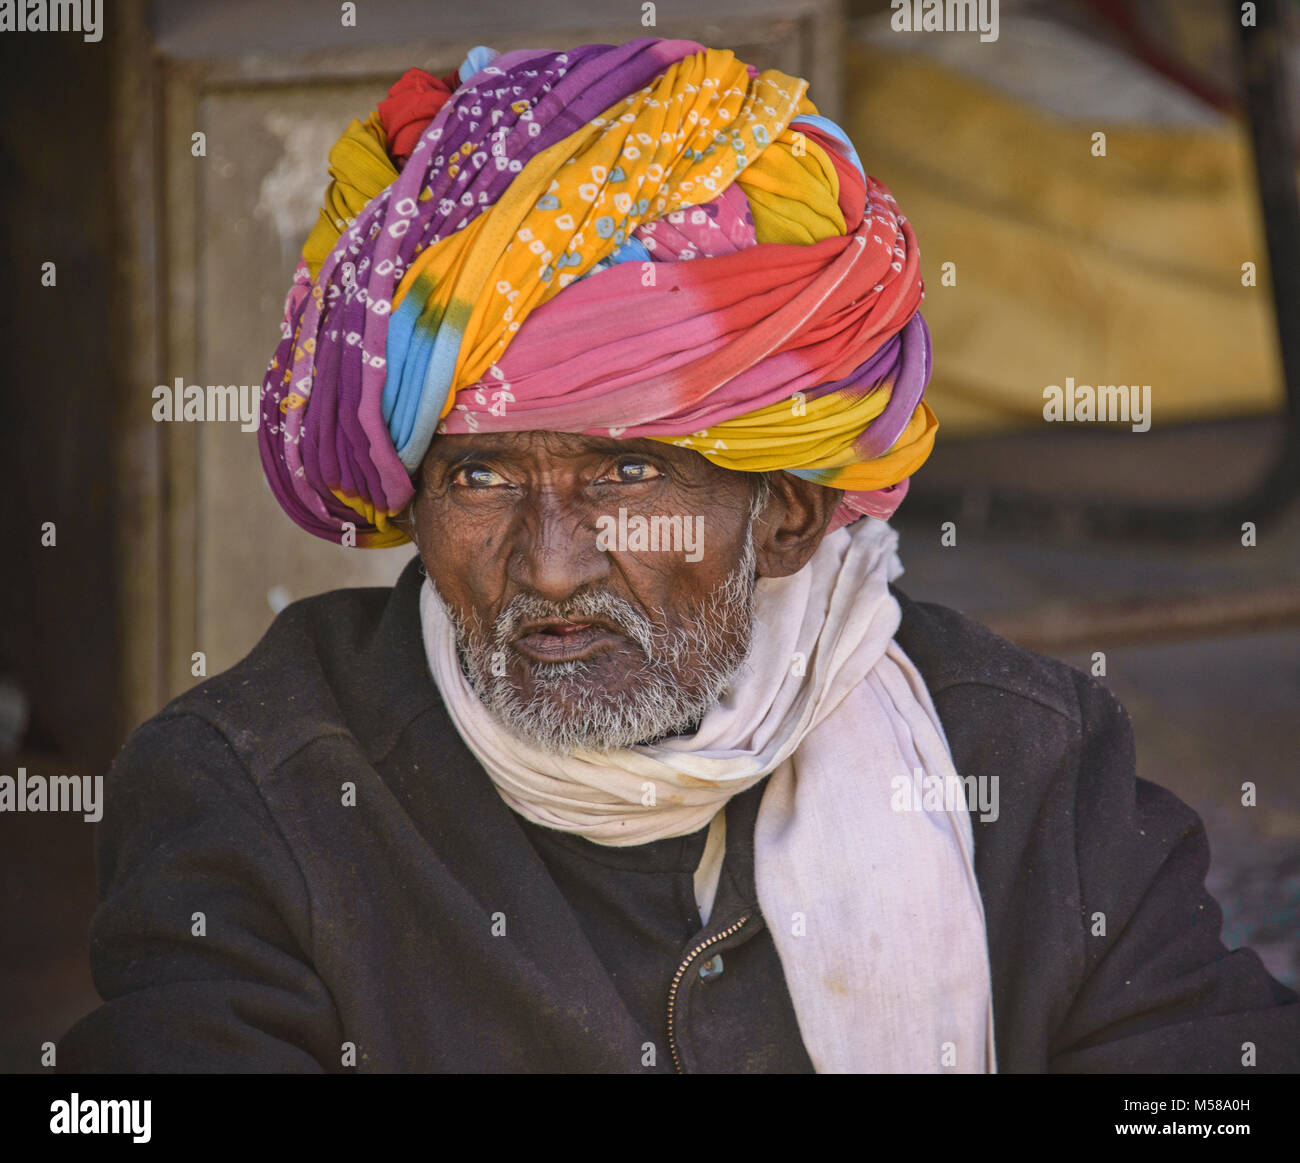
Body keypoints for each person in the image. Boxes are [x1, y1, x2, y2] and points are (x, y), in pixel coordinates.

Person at [59, 37, 1297, 1074]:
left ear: (794, 514)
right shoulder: (262, 797)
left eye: (629, 473)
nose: (548, 568)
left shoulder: (1017, 766)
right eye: (481, 475)